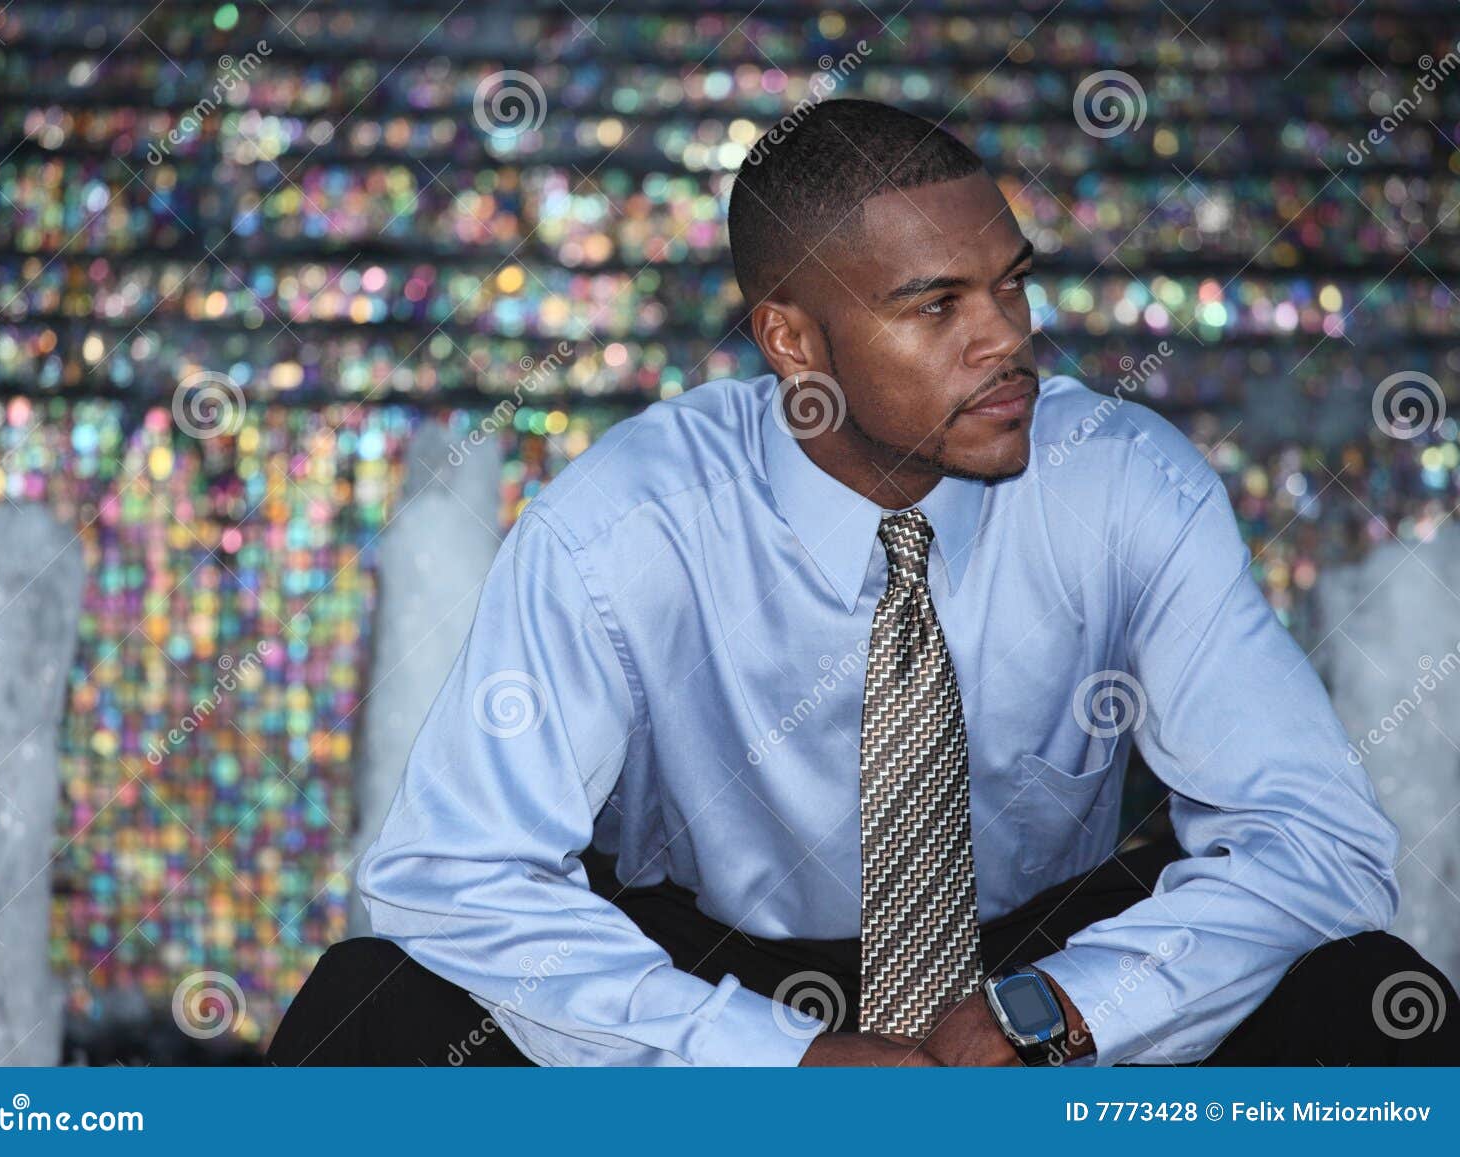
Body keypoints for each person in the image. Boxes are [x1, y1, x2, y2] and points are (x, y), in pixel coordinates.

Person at [270, 99, 1458, 1067]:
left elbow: (1314, 837)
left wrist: (1063, 1007)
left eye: (1009, 283)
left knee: (1373, 997)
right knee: (367, 1005)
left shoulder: (1126, 483)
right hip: (712, 966)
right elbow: (452, 872)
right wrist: (774, 1058)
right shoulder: (624, 522)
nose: (1005, 339)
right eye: (934, 305)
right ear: (792, 342)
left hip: (1041, 964)